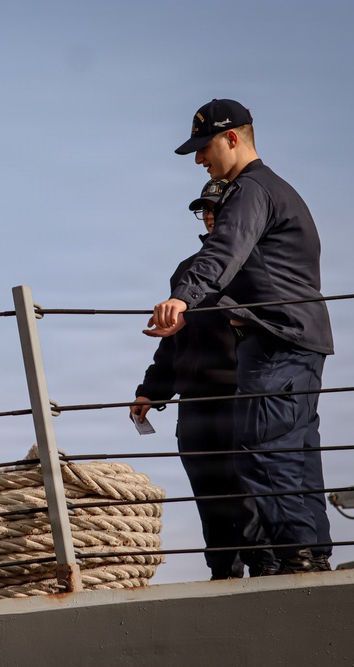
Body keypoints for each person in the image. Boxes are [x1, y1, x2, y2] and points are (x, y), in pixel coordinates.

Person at [146, 99, 333, 574]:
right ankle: (311, 555)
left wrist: (183, 298)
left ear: (232, 138)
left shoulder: (248, 190)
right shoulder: (272, 188)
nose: (198, 160)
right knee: (292, 447)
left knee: (262, 449)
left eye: (204, 147)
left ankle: (297, 561)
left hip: (277, 340)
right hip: (292, 337)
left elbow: (224, 250)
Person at [131, 179, 277, 579]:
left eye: (216, 207)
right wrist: (150, 391)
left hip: (240, 394)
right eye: (205, 209)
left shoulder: (256, 266)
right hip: (193, 402)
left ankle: (265, 568)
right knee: (208, 495)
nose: (210, 215)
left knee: (244, 489)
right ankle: (223, 575)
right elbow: (172, 342)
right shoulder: (188, 272)